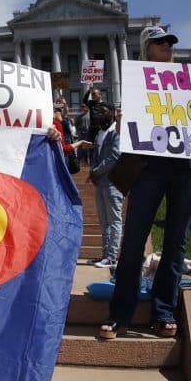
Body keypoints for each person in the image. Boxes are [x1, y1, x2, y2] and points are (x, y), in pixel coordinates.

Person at [101, 26, 191, 340]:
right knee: (133, 239)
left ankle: (163, 310)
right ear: (147, 49)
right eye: (160, 43)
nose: (167, 47)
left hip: (186, 167)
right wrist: (123, 122)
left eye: (170, 42)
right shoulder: (137, 84)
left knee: (176, 241)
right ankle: (121, 313)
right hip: (149, 167)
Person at [88, 105, 121, 267]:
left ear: (112, 113)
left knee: (114, 220)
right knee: (104, 221)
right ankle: (104, 255)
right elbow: (95, 155)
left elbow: (114, 156)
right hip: (100, 182)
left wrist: (95, 171)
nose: (100, 114)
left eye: (103, 111)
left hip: (113, 182)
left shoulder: (116, 133)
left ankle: (112, 256)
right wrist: (93, 172)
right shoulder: (99, 134)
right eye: (98, 111)